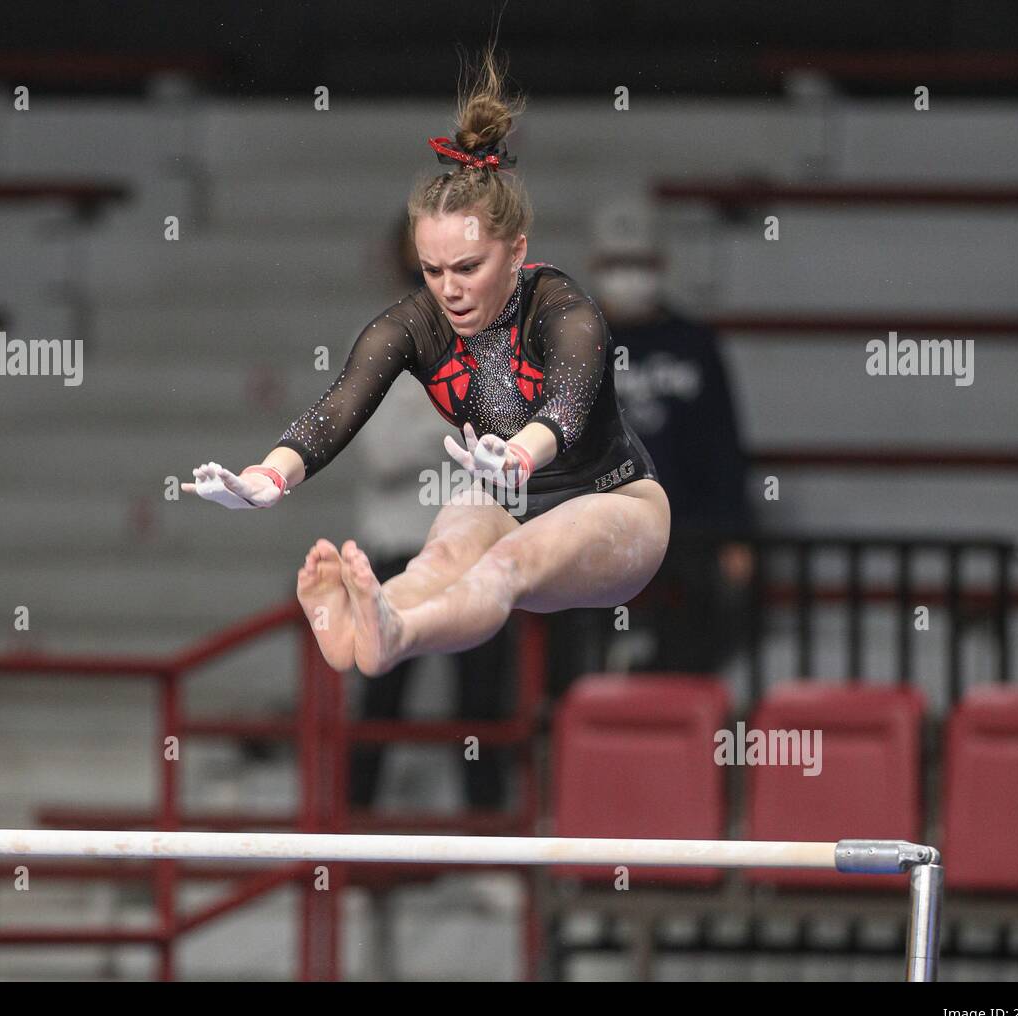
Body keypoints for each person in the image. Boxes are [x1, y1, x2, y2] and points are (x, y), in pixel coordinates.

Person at [184, 48, 670, 680]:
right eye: (433, 270)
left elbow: (568, 408)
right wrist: (268, 478)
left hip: (614, 506)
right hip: (508, 498)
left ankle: (400, 631)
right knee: (437, 559)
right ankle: (373, 624)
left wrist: (519, 455)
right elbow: (338, 408)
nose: (450, 289)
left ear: (516, 249)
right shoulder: (413, 325)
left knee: (505, 565)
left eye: (469, 267)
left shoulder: (563, 308)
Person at [349, 214, 514, 812]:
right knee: (380, 699)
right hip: (395, 547)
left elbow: (512, 437)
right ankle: (349, 839)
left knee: (481, 704)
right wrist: (458, 420)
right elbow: (380, 451)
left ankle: (493, 845)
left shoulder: (496, 338)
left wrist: (443, 416)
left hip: (474, 548)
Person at [589, 199, 755, 673]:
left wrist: (734, 534)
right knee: (597, 672)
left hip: (688, 535)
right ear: (596, 268)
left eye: (638, 264)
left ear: (660, 266)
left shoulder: (694, 343)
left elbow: (724, 441)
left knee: (682, 666)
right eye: (617, 265)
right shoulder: (574, 342)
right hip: (596, 536)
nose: (628, 276)